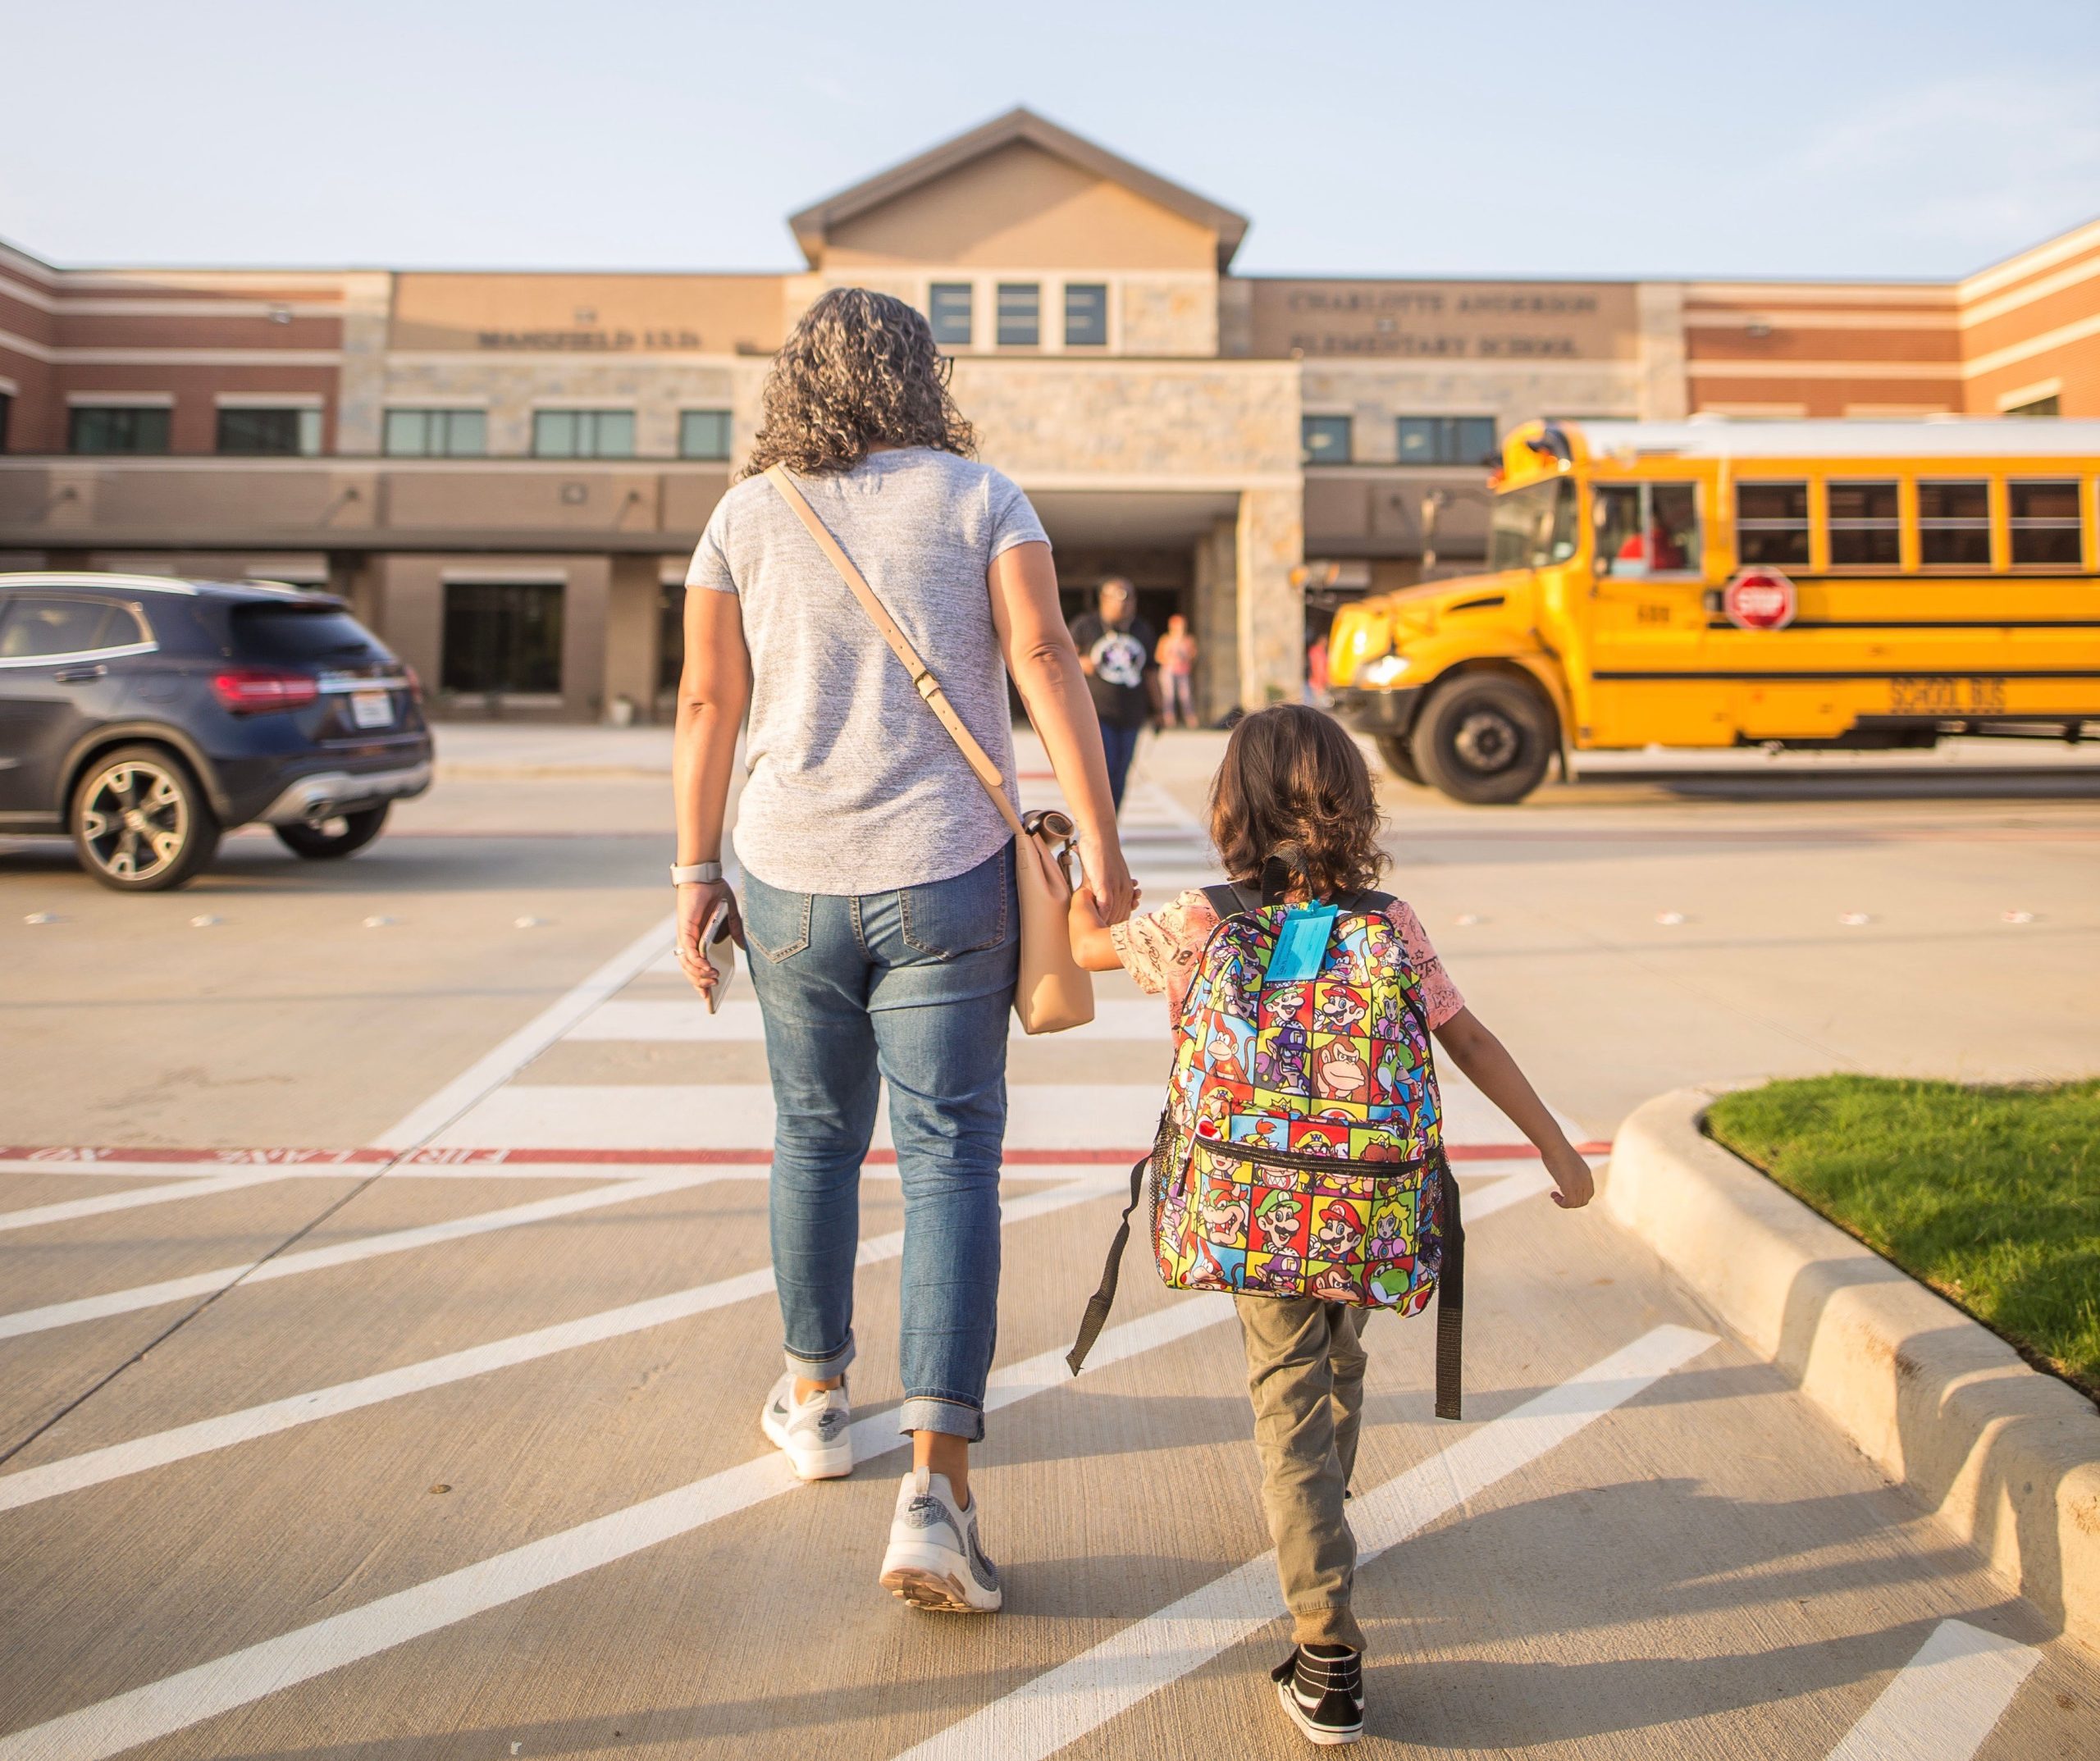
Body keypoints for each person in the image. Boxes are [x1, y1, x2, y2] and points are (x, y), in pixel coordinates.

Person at [673, 286, 1134, 1617]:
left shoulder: (744, 513)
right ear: (924, 375)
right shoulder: (984, 497)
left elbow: (707, 700)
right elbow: (1045, 653)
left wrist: (695, 874)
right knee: (949, 1161)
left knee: (814, 1137)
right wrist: (1101, 845)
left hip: (789, 879)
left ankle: (817, 1396)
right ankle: (936, 1494)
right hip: (948, 875)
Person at [1066, 704, 1593, 1745]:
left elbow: (1084, 946)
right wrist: (1555, 1145)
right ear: (1353, 802)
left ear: (1232, 805)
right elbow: (1467, 1038)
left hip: (1252, 1208)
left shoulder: (1204, 919)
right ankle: (1326, 1514)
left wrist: (1073, 881)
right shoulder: (1389, 922)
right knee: (1338, 1356)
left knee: (1287, 1399)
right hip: (1364, 1205)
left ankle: (1325, 1643)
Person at [1069, 577, 1154, 808]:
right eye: (1120, 597)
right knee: (1102, 769)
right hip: (1097, 713)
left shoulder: (1141, 629)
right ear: (1104, 599)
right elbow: (1061, 657)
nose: (1126, 603)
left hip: (1131, 714)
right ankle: (1097, 819)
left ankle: (1112, 821)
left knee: (1120, 772)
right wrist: (1080, 663)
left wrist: (1160, 710)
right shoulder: (1085, 625)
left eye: (1131, 597)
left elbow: (1151, 673)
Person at [1155, 612, 1198, 728]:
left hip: (1183, 671)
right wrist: (1170, 659)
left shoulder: (1188, 640)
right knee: (1169, 696)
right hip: (1169, 671)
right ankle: (1169, 720)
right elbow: (1158, 656)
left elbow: (1194, 655)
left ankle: (1190, 719)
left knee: (1186, 696)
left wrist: (1185, 657)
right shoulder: (1166, 640)